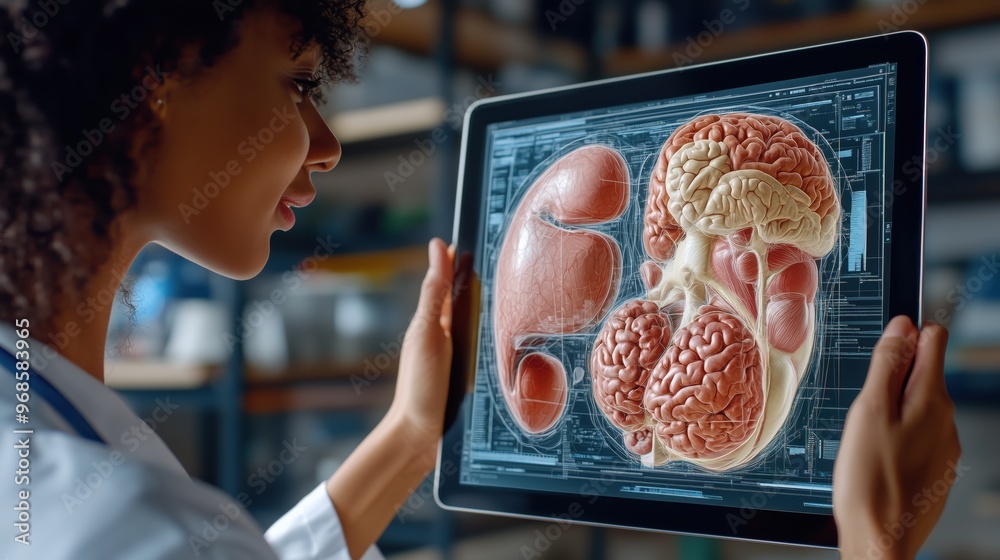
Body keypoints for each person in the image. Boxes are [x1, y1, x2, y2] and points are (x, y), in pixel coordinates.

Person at [0, 2, 960, 559]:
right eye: (299, 84)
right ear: (157, 70)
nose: (327, 146)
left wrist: (417, 434)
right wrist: (876, 539)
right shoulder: (127, 520)